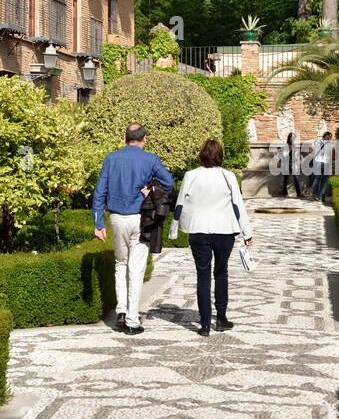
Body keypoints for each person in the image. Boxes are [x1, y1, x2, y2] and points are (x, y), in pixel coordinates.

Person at [93, 124, 175, 335]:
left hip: (116, 218)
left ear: (124, 137)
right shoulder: (150, 159)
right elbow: (169, 182)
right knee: (136, 268)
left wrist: (98, 223)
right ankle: (131, 320)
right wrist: (151, 190)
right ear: (144, 139)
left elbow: (100, 190)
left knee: (120, 263)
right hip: (140, 218)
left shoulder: (111, 158)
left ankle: (121, 311)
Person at [170, 139, 254, 337]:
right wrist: (247, 232)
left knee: (203, 275)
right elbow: (238, 205)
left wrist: (173, 230)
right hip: (224, 231)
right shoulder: (228, 176)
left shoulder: (191, 176)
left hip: (198, 230)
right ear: (220, 155)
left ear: (202, 154)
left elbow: (179, 205)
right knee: (221, 273)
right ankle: (222, 318)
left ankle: (205, 324)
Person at [310, 131, 333, 203]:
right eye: (329, 137)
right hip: (325, 163)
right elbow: (332, 155)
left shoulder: (317, 142)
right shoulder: (330, 144)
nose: (329, 138)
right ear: (326, 136)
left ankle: (315, 194)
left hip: (318, 162)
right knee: (324, 181)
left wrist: (314, 154)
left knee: (317, 178)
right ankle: (320, 196)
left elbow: (310, 150)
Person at [282, 131, 302, 199]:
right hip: (286, 165)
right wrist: (290, 149)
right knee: (286, 179)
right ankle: (284, 193)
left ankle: (299, 194)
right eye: (292, 137)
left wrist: (296, 165)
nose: (293, 139)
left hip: (292, 164)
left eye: (294, 138)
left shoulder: (294, 146)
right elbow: (284, 155)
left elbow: (295, 157)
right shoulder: (286, 145)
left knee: (296, 179)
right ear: (289, 138)